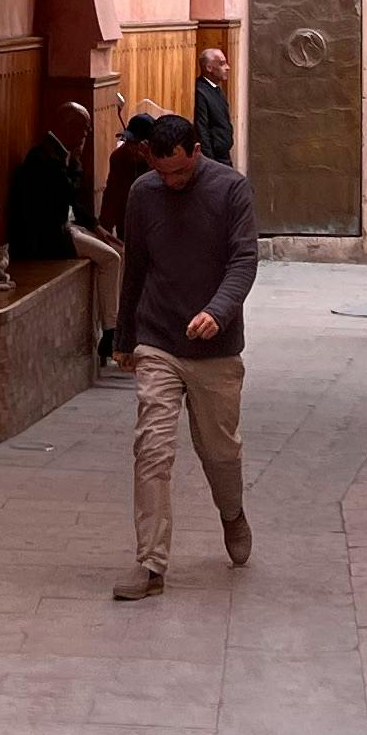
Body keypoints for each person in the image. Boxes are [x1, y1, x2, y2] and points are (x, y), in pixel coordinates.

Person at [109, 114, 255, 597]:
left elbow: (243, 259)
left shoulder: (231, 189)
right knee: (151, 448)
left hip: (215, 347)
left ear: (195, 151)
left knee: (219, 450)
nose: (170, 182)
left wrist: (218, 310)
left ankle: (231, 512)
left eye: (179, 172)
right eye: (162, 172)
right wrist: (124, 336)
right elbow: (136, 265)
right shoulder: (143, 193)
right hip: (159, 339)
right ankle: (150, 564)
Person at [5, 102, 116, 278]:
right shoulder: (47, 160)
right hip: (47, 239)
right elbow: (70, 195)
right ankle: (112, 307)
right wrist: (77, 162)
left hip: (60, 229)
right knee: (112, 258)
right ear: (69, 127)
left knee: (113, 246)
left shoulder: (49, 152)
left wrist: (96, 227)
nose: (87, 134)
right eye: (85, 128)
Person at [94, 111, 161, 363]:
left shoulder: (161, 161)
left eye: (136, 143)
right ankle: (127, 339)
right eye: (130, 142)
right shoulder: (120, 158)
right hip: (130, 227)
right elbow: (112, 193)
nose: (131, 147)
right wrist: (104, 228)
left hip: (159, 229)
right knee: (132, 283)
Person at [191, 43, 235, 161]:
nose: (227, 67)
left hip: (223, 154)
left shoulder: (216, 88)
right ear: (209, 68)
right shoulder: (200, 91)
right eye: (222, 64)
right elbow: (202, 128)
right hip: (213, 157)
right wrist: (209, 160)